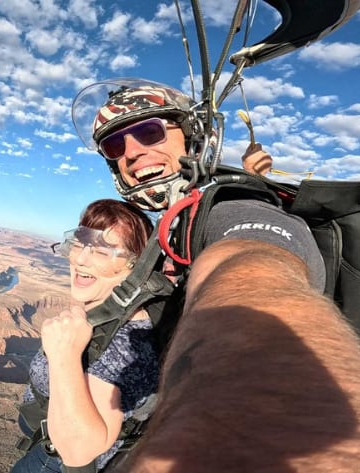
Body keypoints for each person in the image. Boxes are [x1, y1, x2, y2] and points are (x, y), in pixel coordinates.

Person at [72, 78, 360, 472]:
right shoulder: (180, 223)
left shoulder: (230, 205)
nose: (133, 152)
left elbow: (252, 270)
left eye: (149, 132)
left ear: (192, 138)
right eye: (115, 145)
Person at [11, 199, 160, 472]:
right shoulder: (105, 308)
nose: (80, 259)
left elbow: (80, 451)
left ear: (136, 267)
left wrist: (63, 354)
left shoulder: (125, 345)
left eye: (102, 251)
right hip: (45, 444)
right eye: (79, 243)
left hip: (55, 464)